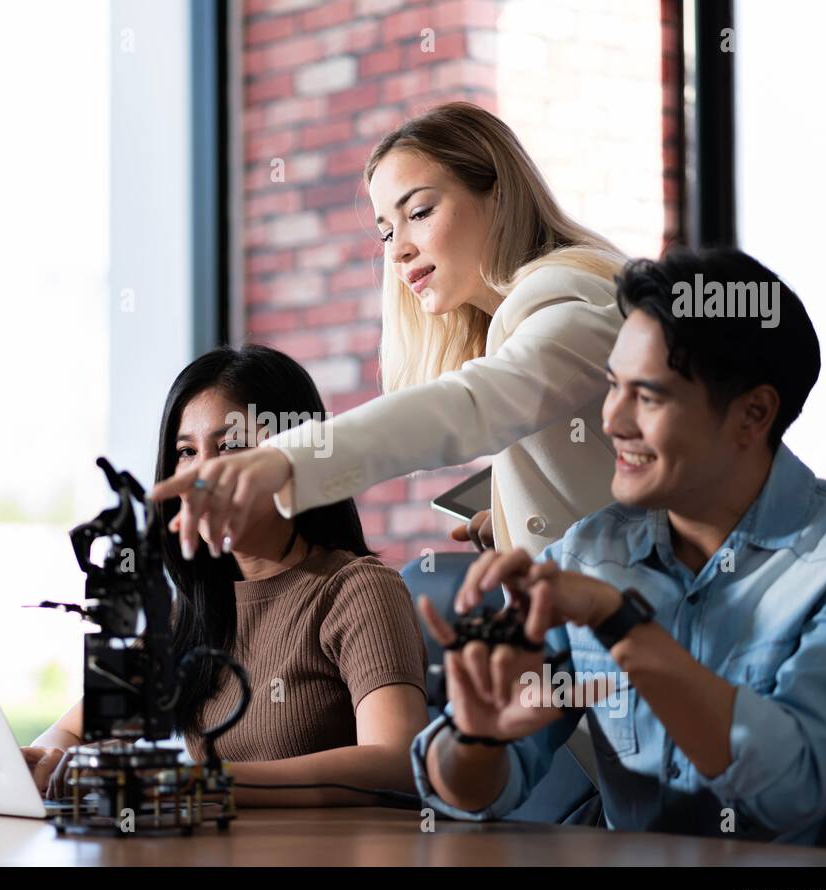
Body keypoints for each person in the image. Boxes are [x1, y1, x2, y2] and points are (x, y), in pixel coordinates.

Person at [413, 248, 826, 852]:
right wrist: (477, 738)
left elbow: (790, 786)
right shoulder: (587, 554)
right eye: (613, 387)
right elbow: (467, 794)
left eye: (648, 397)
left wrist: (619, 620)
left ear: (753, 413)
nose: (611, 420)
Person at [150, 101, 626, 563]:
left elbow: (472, 405)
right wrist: (516, 516)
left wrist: (285, 461)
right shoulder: (523, 317)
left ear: (499, 196)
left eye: (419, 213)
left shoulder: (568, 296)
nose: (397, 250)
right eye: (385, 231)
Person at [24, 345, 430, 807]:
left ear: (295, 454)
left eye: (232, 446)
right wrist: (48, 759)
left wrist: (198, 782)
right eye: (185, 452)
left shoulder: (356, 589)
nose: (203, 474)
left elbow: (398, 763)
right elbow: (73, 729)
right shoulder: (193, 611)